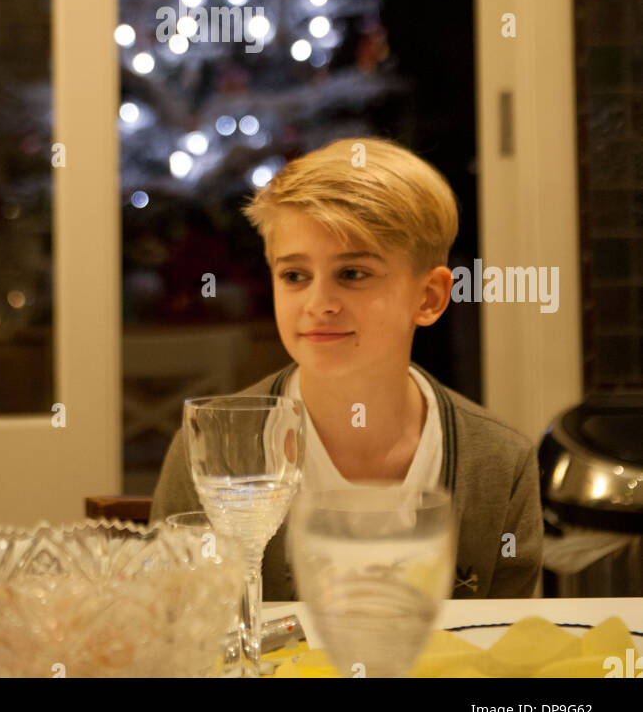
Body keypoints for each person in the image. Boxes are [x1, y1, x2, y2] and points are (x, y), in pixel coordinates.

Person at [149, 136, 543, 600]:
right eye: (294, 276)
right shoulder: (212, 450)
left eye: (353, 274)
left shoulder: (498, 463)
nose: (318, 304)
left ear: (430, 297)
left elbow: (496, 649)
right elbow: (178, 636)